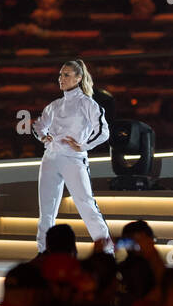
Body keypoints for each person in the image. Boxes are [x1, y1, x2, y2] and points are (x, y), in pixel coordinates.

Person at [31, 59, 112, 253]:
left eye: (66, 75)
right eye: (60, 75)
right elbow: (38, 125)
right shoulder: (55, 105)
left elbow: (103, 131)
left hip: (73, 160)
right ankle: (43, 252)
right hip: (50, 158)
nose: (61, 78)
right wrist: (44, 137)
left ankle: (106, 252)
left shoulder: (87, 103)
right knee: (47, 211)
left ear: (78, 77)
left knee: (86, 205)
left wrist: (82, 145)